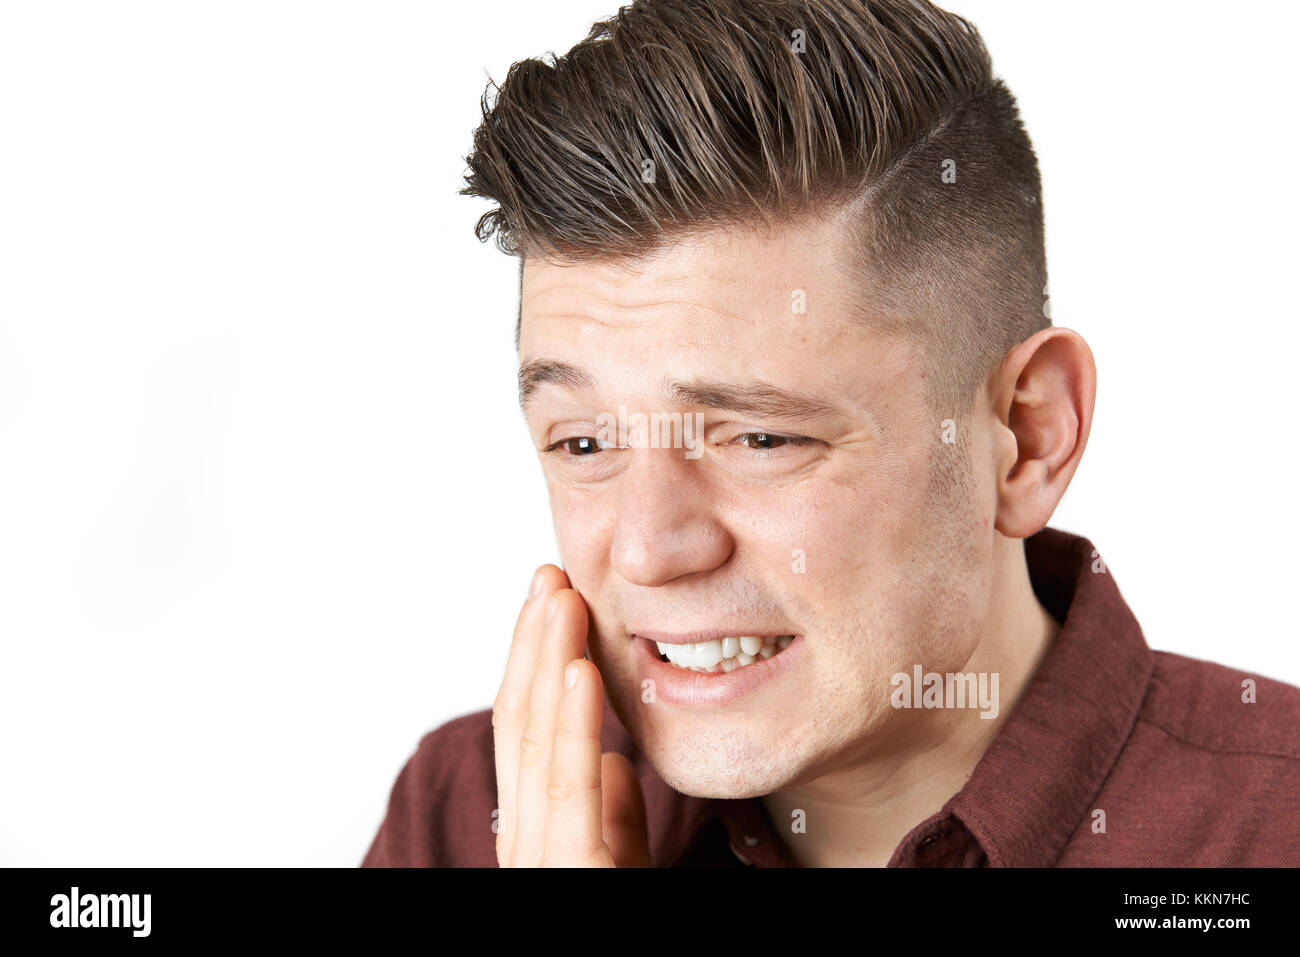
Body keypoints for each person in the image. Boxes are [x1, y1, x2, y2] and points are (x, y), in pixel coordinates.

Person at [363, 0, 1300, 867]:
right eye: (583, 444)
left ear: (1026, 435)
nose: (647, 549)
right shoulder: (462, 815)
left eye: (760, 439)